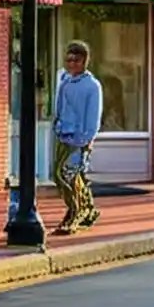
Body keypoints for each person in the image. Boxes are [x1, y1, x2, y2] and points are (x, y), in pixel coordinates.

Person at [51, 41, 103, 234]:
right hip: (63, 134)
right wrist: (57, 125)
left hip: (79, 138)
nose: (72, 63)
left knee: (69, 175)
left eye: (76, 60)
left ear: (84, 61)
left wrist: (86, 139)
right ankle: (87, 210)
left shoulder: (92, 86)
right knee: (60, 175)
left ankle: (75, 213)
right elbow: (59, 107)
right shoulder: (63, 80)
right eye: (69, 59)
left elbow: (93, 117)